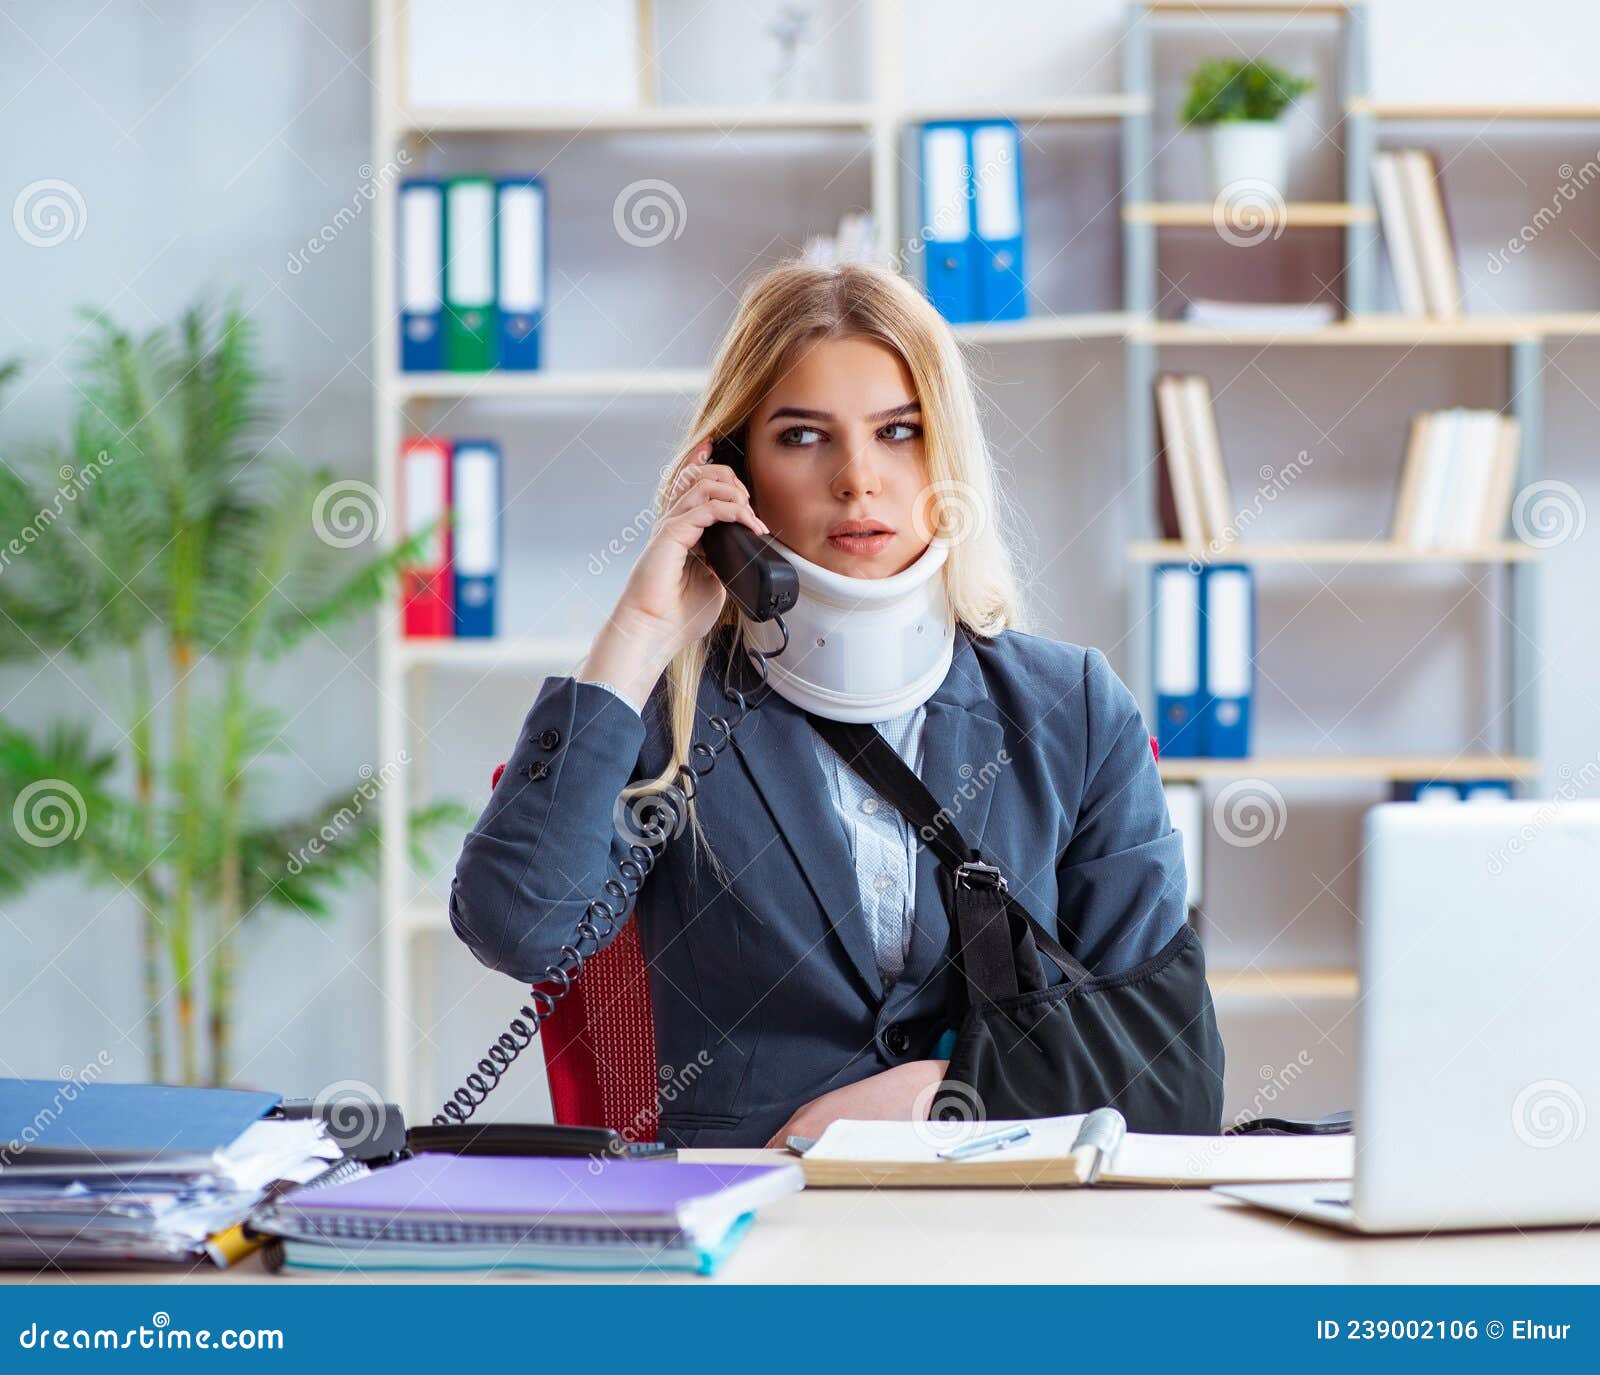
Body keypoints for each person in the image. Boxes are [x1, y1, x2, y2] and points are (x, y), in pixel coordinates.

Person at [450, 260, 1211, 1149]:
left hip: (1001, 1220)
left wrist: (945, 1091)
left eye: (899, 430)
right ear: (734, 471)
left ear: (948, 455)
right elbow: (521, 929)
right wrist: (640, 631)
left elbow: (1169, 1069)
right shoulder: (662, 714)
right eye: (803, 437)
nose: (858, 479)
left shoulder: (1071, 709)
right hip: (749, 1227)